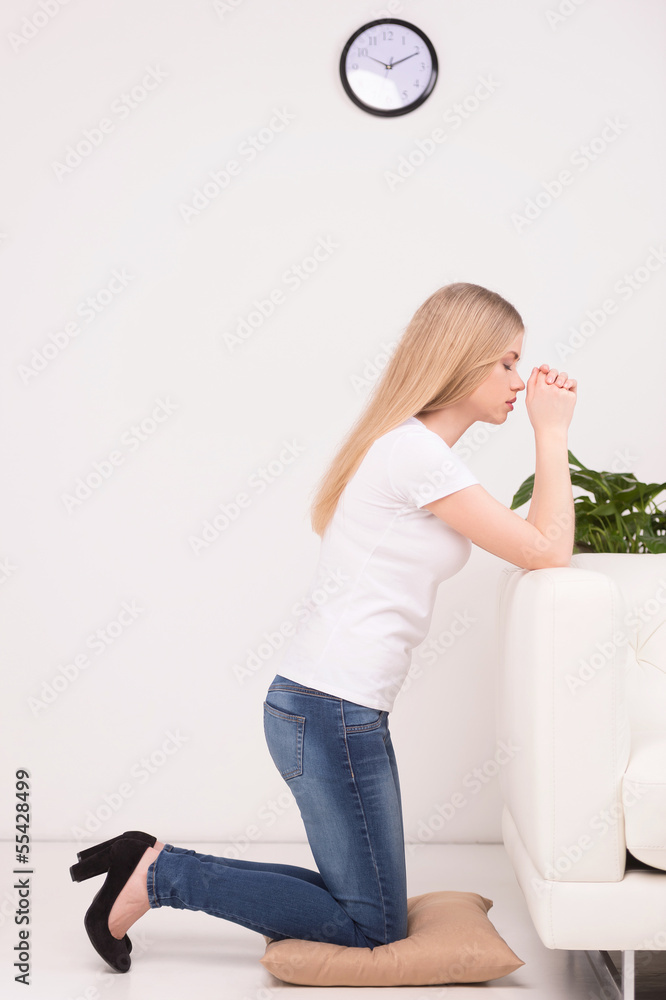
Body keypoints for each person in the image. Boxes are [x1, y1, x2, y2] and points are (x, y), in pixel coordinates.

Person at [70, 281, 577, 973]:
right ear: (461, 359)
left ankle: (153, 866)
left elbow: (541, 544)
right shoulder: (416, 455)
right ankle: (159, 878)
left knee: (368, 908)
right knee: (371, 930)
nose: (519, 381)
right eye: (507, 363)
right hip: (328, 710)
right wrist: (552, 433)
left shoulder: (416, 452)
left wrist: (548, 434)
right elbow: (547, 548)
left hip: (334, 709)